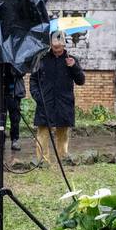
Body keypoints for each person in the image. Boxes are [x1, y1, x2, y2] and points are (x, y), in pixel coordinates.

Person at [31, 30, 85, 166]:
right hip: (45, 101)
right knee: (42, 132)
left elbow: (81, 80)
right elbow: (33, 80)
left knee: (63, 132)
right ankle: (43, 161)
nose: (57, 50)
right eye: (55, 47)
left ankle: (63, 159)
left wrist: (74, 67)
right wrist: (37, 96)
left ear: (64, 45)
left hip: (64, 102)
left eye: (60, 47)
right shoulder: (42, 59)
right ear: (50, 44)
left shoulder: (71, 59)